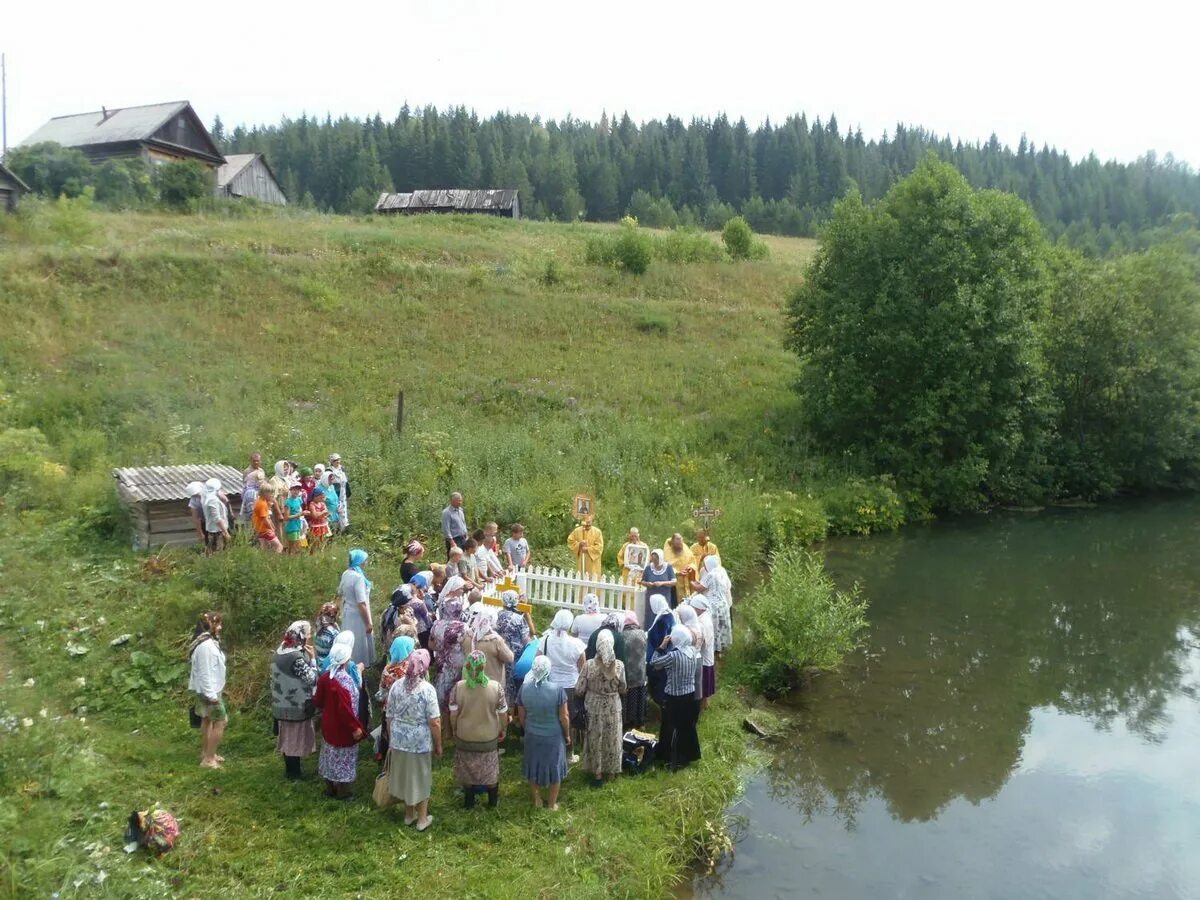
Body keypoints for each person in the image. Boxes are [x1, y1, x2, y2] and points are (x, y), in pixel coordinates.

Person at [386, 649, 441, 831]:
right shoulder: (427, 690)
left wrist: (392, 738)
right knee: (421, 777)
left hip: (399, 739)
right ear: (425, 667)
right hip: (419, 742)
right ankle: (422, 819)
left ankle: (409, 814)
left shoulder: (396, 685)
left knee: (405, 776)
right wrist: (439, 745)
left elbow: (389, 716)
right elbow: (434, 722)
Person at [449, 651, 507, 809]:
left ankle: (469, 802)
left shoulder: (458, 687)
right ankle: (492, 802)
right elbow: (502, 714)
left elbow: (453, 715)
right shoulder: (496, 688)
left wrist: (454, 730)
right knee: (490, 768)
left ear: (467, 666)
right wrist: (503, 729)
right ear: (484, 666)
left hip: (465, 737)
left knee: (466, 768)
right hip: (488, 738)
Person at [313, 633, 366, 799]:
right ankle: (343, 792)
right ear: (345, 661)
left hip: (329, 723)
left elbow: (318, 701)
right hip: (343, 727)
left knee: (329, 754)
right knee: (344, 758)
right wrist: (355, 727)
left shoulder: (324, 678)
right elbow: (346, 710)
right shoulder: (345, 681)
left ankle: (329, 788)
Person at [517, 656, 570, 810]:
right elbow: (564, 716)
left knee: (532, 766)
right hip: (553, 735)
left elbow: (522, 716)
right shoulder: (557, 690)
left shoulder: (524, 688)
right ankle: (552, 804)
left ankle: (537, 800)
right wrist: (567, 735)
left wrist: (528, 728)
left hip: (532, 734)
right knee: (554, 768)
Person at [575, 630, 626, 786]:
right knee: (612, 739)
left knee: (595, 739)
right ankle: (611, 773)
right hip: (613, 706)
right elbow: (623, 688)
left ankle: (597, 775)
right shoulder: (619, 665)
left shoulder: (589, 665)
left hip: (594, 706)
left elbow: (579, 689)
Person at [650, 625, 702, 771]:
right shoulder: (692, 651)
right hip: (690, 695)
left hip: (674, 697)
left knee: (670, 727)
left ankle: (669, 757)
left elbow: (655, 663)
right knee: (687, 727)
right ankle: (688, 755)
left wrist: (661, 647)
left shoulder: (673, 656)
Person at [272, 621, 318, 780]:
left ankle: (291, 771)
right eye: (308, 633)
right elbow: (312, 679)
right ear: (301, 635)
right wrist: (313, 660)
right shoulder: (296, 657)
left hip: (281, 702)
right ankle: (294, 774)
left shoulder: (281, 650)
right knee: (294, 740)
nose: (310, 636)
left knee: (288, 738)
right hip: (295, 705)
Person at [539, 609, 586, 761]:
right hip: (569, 685)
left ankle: (548, 749)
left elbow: (538, 661)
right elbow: (582, 668)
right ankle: (568, 752)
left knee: (550, 717)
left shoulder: (545, 640)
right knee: (567, 719)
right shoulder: (577, 644)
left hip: (549, 683)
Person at [188, 612, 227, 769]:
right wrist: (211, 695)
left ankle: (207, 752)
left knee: (207, 719)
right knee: (221, 721)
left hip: (209, 689)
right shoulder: (206, 646)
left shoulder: (207, 642)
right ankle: (209, 759)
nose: (220, 627)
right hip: (209, 691)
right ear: (210, 626)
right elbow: (205, 672)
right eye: (218, 624)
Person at [494, 591, 534, 708]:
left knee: (502, 678)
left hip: (499, 653)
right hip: (515, 655)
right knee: (513, 680)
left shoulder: (496, 616)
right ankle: (512, 707)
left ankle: (500, 704)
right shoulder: (518, 619)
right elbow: (527, 639)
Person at [338, 549, 376, 668]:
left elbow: (340, 592)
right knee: (360, 640)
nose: (366, 562)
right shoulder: (358, 578)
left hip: (348, 612)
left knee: (350, 638)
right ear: (360, 561)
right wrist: (368, 623)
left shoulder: (346, 573)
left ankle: (347, 661)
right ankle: (360, 665)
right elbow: (361, 603)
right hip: (358, 615)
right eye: (365, 560)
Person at [691, 555, 734, 654]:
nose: (704, 567)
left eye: (705, 565)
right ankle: (723, 648)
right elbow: (706, 584)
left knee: (714, 628)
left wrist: (691, 581)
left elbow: (699, 588)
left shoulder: (711, 575)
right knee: (722, 626)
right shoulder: (721, 571)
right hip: (723, 603)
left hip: (713, 605)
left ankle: (714, 650)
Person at [468, 609, 514, 689]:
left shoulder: (470, 636)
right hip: (492, 684)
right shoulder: (495, 640)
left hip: (474, 682)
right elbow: (510, 658)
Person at [644, 594, 675, 708]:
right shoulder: (668, 614)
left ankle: (660, 704)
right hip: (665, 653)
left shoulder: (661, 620)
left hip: (658, 655)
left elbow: (659, 639)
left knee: (657, 681)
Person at [620, 611, 649, 728]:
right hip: (640, 670)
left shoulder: (622, 635)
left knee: (628, 698)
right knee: (639, 695)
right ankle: (640, 720)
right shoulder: (642, 633)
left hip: (627, 671)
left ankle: (627, 720)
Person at [690, 596, 717, 707]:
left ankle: (703, 703)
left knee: (703, 680)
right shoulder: (704, 616)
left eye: (693, 608)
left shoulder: (703, 621)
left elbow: (705, 641)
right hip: (706, 654)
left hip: (704, 655)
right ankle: (704, 702)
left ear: (700, 608)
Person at [663, 534, 696, 602]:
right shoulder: (668, 552)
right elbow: (666, 565)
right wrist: (678, 572)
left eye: (680, 544)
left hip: (686, 580)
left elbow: (692, 562)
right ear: (672, 543)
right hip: (673, 583)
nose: (679, 546)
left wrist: (690, 568)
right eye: (677, 544)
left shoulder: (686, 550)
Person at [202, 478, 230, 555]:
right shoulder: (212, 500)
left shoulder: (207, 497)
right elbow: (217, 518)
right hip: (217, 531)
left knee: (214, 552)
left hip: (214, 529)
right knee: (219, 553)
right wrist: (225, 532)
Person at [252, 485, 283, 553]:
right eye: (270, 493)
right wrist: (271, 528)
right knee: (279, 546)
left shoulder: (260, 501)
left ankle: (264, 562)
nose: (271, 495)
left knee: (264, 548)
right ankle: (274, 561)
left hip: (259, 528)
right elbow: (265, 519)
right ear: (264, 493)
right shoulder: (262, 504)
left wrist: (273, 527)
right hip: (265, 529)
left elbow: (267, 516)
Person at [240, 453, 265, 530]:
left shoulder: (261, 470)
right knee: (251, 517)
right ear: (251, 461)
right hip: (250, 496)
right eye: (254, 461)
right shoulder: (247, 471)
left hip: (260, 495)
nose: (256, 462)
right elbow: (246, 485)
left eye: (258, 461)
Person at [282, 483, 307, 554]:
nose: (296, 491)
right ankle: (290, 558)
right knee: (292, 544)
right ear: (291, 490)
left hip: (299, 524)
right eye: (294, 489)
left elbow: (300, 510)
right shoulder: (288, 502)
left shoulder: (299, 499)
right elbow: (286, 517)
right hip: (291, 526)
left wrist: (303, 513)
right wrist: (300, 514)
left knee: (300, 542)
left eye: (298, 490)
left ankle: (298, 557)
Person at [314, 603, 340, 670]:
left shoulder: (318, 629)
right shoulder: (333, 633)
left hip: (319, 663)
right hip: (329, 666)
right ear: (334, 616)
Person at [328, 453, 349, 532]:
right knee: (335, 508)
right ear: (332, 462)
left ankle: (343, 527)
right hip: (335, 491)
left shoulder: (342, 469)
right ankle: (334, 528)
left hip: (342, 491)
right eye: (335, 460)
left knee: (343, 508)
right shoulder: (330, 470)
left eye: (338, 460)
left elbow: (345, 482)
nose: (337, 462)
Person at [306, 488, 331, 553]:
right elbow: (314, 516)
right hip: (315, 526)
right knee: (315, 542)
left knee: (322, 541)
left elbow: (326, 513)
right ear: (315, 496)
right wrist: (322, 513)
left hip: (323, 524)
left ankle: (320, 554)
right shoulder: (312, 504)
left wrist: (320, 514)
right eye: (320, 496)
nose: (322, 498)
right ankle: (313, 555)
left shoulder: (322, 503)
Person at [321, 471, 341, 535]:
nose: (332, 482)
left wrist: (338, 505)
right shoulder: (319, 489)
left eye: (332, 479)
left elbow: (335, 498)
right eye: (330, 480)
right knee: (328, 534)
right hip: (326, 515)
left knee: (335, 532)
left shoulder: (332, 487)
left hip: (335, 513)